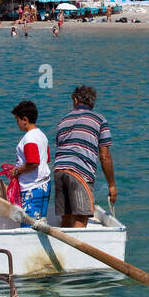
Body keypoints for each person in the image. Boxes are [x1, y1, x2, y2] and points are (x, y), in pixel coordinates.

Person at [52, 85, 115, 228]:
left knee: (66, 217)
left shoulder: (63, 120)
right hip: (80, 172)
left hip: (59, 171)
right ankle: (76, 250)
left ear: (75, 100)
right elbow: (104, 156)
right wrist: (111, 185)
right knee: (80, 218)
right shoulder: (99, 120)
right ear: (92, 102)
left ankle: (64, 249)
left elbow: (59, 147)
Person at [7, 100, 51, 219]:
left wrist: (16, 171)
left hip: (32, 189)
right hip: (44, 184)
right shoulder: (42, 135)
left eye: (18, 120)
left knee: (28, 224)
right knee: (40, 222)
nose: (17, 124)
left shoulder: (29, 139)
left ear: (25, 120)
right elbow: (46, 159)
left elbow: (33, 163)